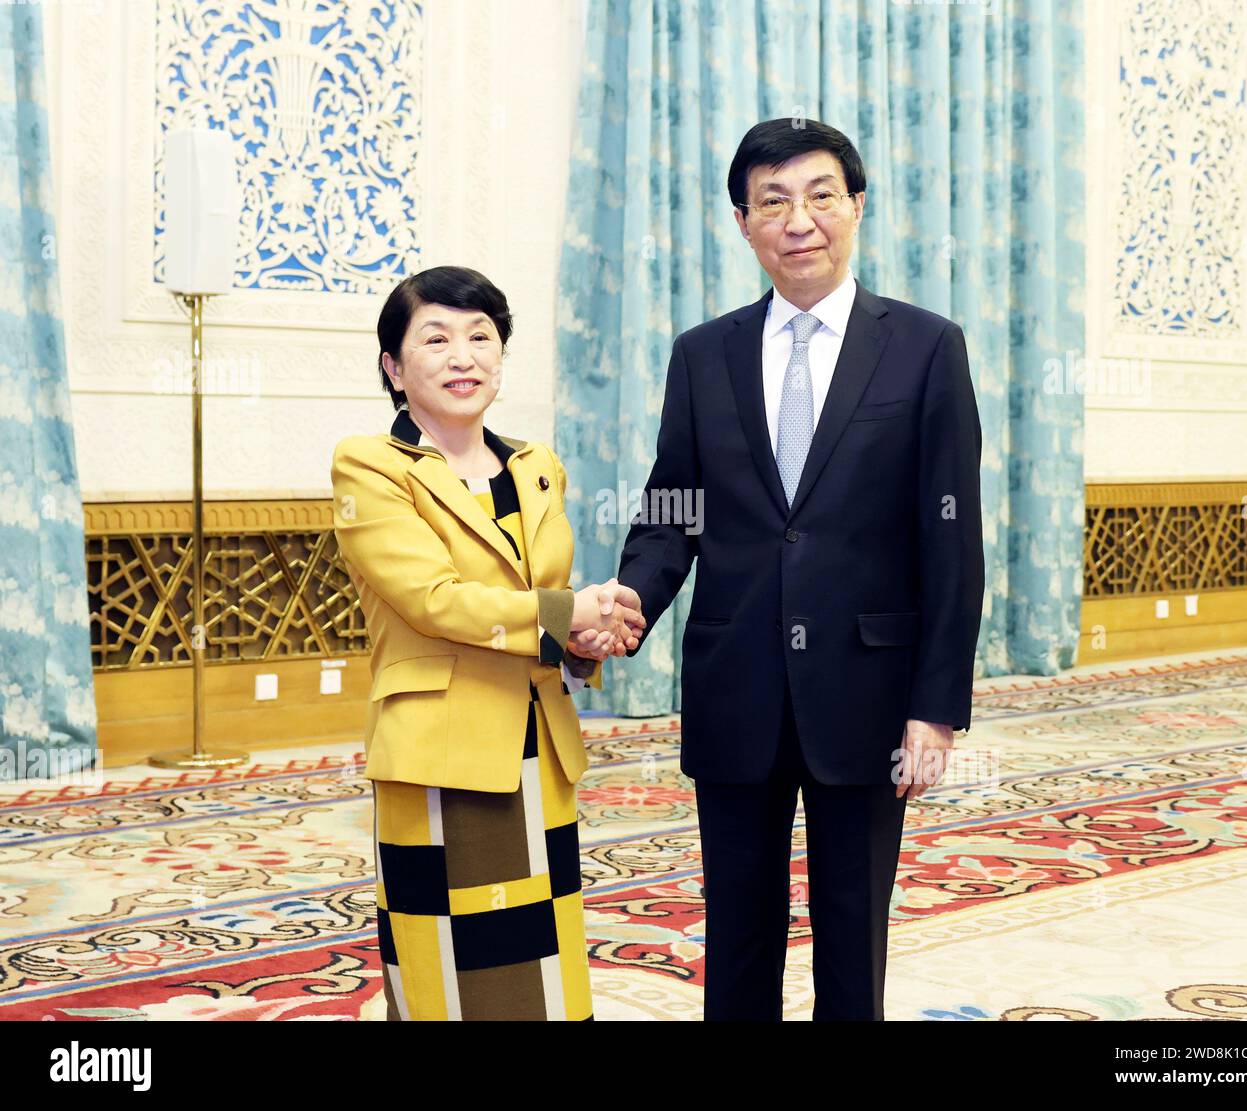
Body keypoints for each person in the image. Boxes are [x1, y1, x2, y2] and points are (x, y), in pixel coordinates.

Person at [609, 119, 985, 1020]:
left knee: (853, 928)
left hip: (868, 685)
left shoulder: (926, 346)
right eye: (772, 201)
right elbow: (675, 506)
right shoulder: (703, 354)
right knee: (737, 926)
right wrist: (631, 599)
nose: (799, 219)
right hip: (735, 680)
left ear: (855, 207)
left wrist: (935, 708)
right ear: (743, 222)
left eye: (820, 196)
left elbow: (954, 538)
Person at [331, 265, 644, 1020]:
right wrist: (570, 612)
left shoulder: (536, 467)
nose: (463, 355)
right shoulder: (370, 466)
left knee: (542, 957)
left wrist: (586, 639)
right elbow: (435, 601)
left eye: (481, 336)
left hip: (540, 740)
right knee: (450, 964)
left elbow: (539, 597)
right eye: (434, 338)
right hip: (442, 745)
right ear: (394, 368)